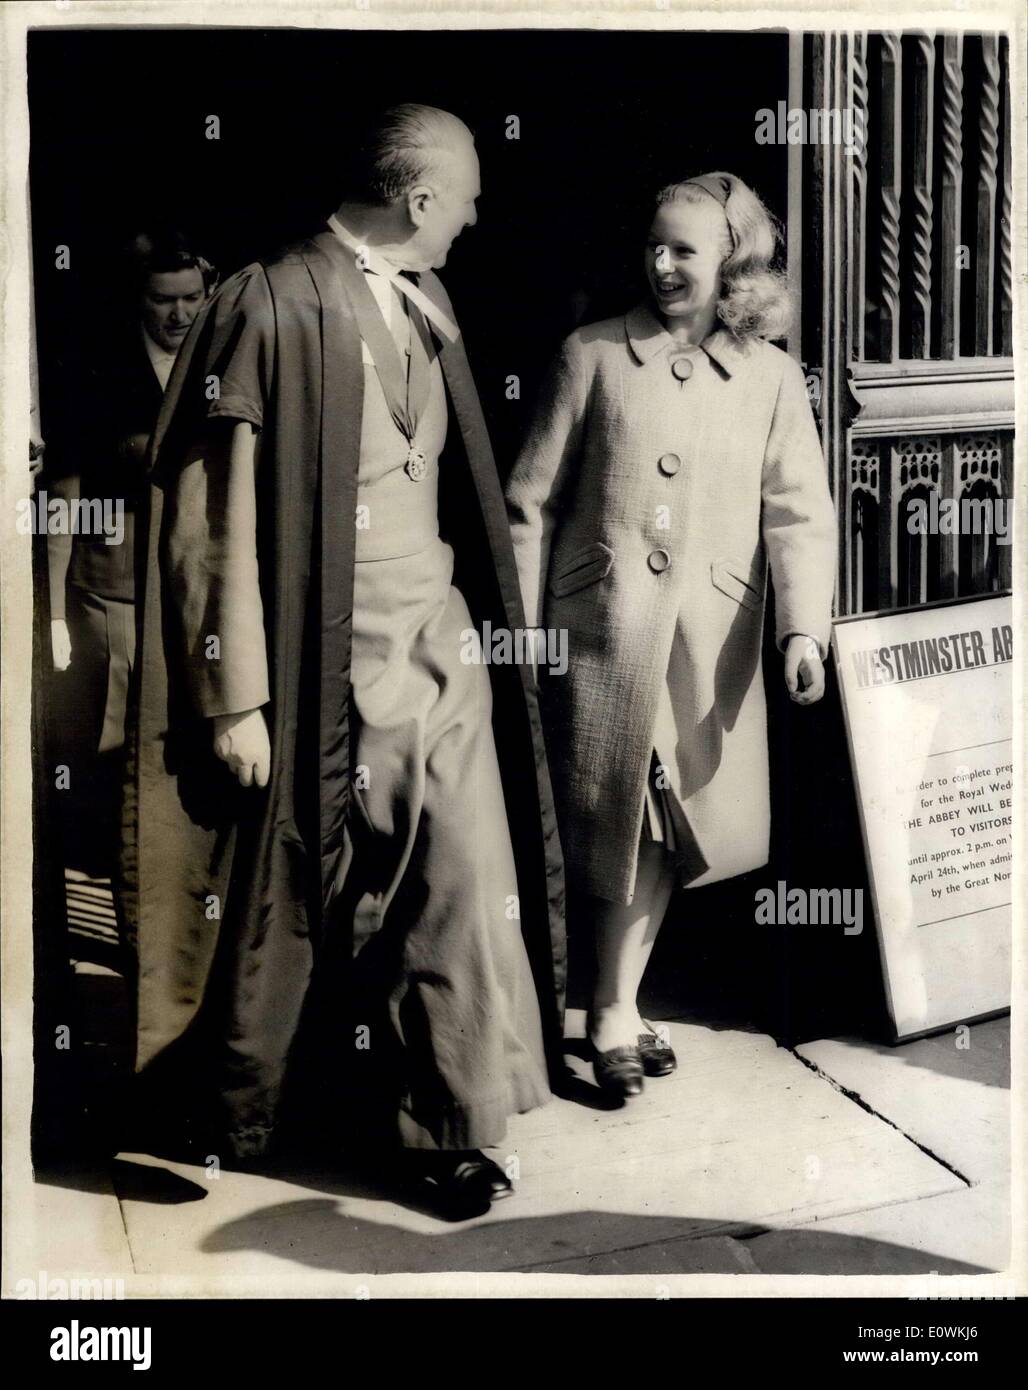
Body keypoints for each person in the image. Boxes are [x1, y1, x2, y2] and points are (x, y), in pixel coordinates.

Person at [124, 105, 565, 1218]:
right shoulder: (268, 302)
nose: (474, 217)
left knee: (462, 873)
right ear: (418, 199)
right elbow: (208, 513)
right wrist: (234, 692)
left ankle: (448, 1127)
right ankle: (253, 1104)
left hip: (436, 638)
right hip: (324, 644)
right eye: (461, 198)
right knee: (313, 901)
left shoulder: (432, 301)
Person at [506, 172, 836, 1099]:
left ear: (731, 261)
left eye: (683, 250)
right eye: (651, 245)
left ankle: (617, 1000)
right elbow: (529, 504)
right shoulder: (592, 355)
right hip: (602, 637)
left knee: (665, 827)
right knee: (626, 816)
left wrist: (804, 632)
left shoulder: (770, 376)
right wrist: (527, 634)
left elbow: (798, 512)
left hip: (707, 644)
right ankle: (611, 1011)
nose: (660, 265)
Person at [47, 232, 216, 872]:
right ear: (138, 300)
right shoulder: (96, 372)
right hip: (114, 590)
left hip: (197, 586)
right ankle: (116, 879)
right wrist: (56, 611)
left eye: (192, 298)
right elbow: (64, 491)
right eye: (161, 300)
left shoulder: (224, 361)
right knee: (110, 746)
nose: (178, 315)